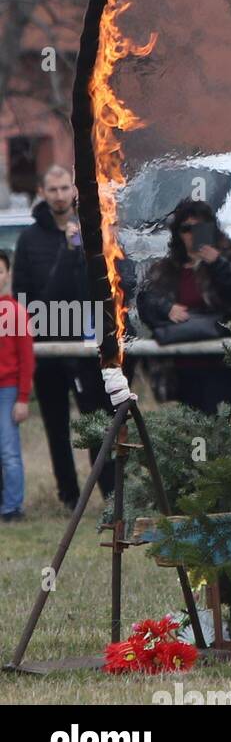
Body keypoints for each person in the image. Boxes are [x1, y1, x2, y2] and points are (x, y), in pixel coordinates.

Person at [11, 165, 115, 507]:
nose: (59, 195)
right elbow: (26, 298)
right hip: (48, 343)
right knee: (56, 426)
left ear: (74, 190)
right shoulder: (29, 239)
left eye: (64, 188)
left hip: (87, 343)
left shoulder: (92, 229)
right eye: (52, 189)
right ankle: (69, 498)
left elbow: (106, 285)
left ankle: (111, 493)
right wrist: (66, 255)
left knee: (98, 422)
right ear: (42, 192)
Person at [136, 200, 231, 415]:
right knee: (186, 435)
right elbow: (145, 301)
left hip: (221, 365)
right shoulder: (165, 269)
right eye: (186, 229)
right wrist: (166, 308)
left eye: (200, 228)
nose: (193, 234)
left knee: (216, 430)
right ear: (178, 234)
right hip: (178, 369)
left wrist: (217, 264)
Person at [0, 250, 35, 521]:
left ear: (7, 274)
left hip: (7, 391)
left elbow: (26, 357)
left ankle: (13, 507)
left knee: (9, 451)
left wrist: (22, 397)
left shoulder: (15, 312)